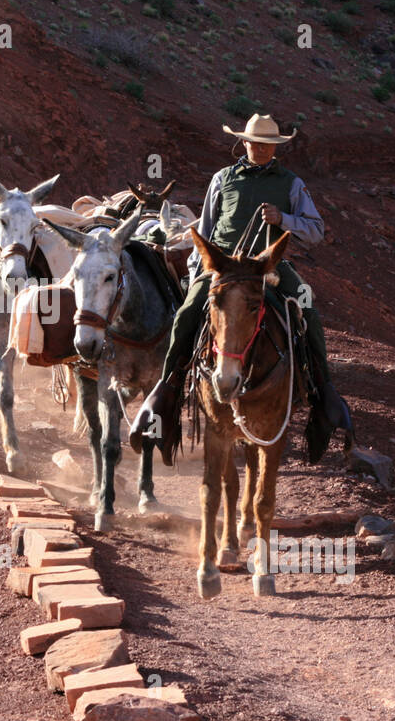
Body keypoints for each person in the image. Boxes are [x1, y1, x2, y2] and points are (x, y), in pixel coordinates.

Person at [130, 113, 353, 464]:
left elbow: (315, 230)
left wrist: (283, 219)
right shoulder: (223, 178)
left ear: (276, 147)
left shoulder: (292, 183)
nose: (261, 149)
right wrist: (199, 274)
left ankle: (322, 392)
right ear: (244, 143)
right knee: (187, 313)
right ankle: (166, 390)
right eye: (255, 143)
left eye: (268, 144)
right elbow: (205, 229)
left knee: (307, 307)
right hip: (222, 266)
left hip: (268, 266)